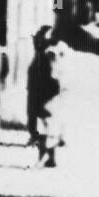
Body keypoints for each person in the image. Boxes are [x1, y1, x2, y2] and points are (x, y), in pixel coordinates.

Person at [26, 29, 63, 168]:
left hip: (42, 98)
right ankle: (49, 158)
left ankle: (45, 157)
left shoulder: (46, 57)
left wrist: (47, 96)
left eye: (38, 41)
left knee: (44, 127)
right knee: (46, 127)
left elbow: (53, 80)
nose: (35, 43)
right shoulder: (41, 56)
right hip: (39, 97)